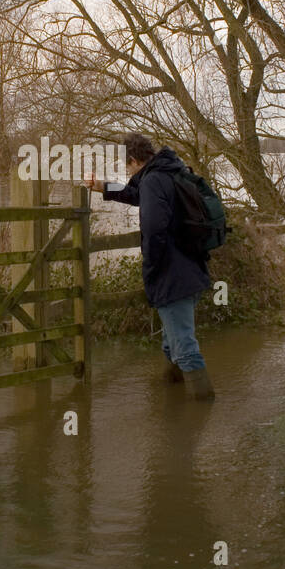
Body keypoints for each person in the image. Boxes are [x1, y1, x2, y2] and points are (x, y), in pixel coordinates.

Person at [87, 134, 215, 399]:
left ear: (133, 160)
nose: (127, 171)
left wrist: (151, 268)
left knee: (184, 347)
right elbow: (137, 194)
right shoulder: (168, 170)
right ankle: (174, 401)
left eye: (127, 166)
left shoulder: (154, 180)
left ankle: (203, 407)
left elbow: (154, 229)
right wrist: (103, 187)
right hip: (191, 266)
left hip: (173, 274)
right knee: (172, 343)